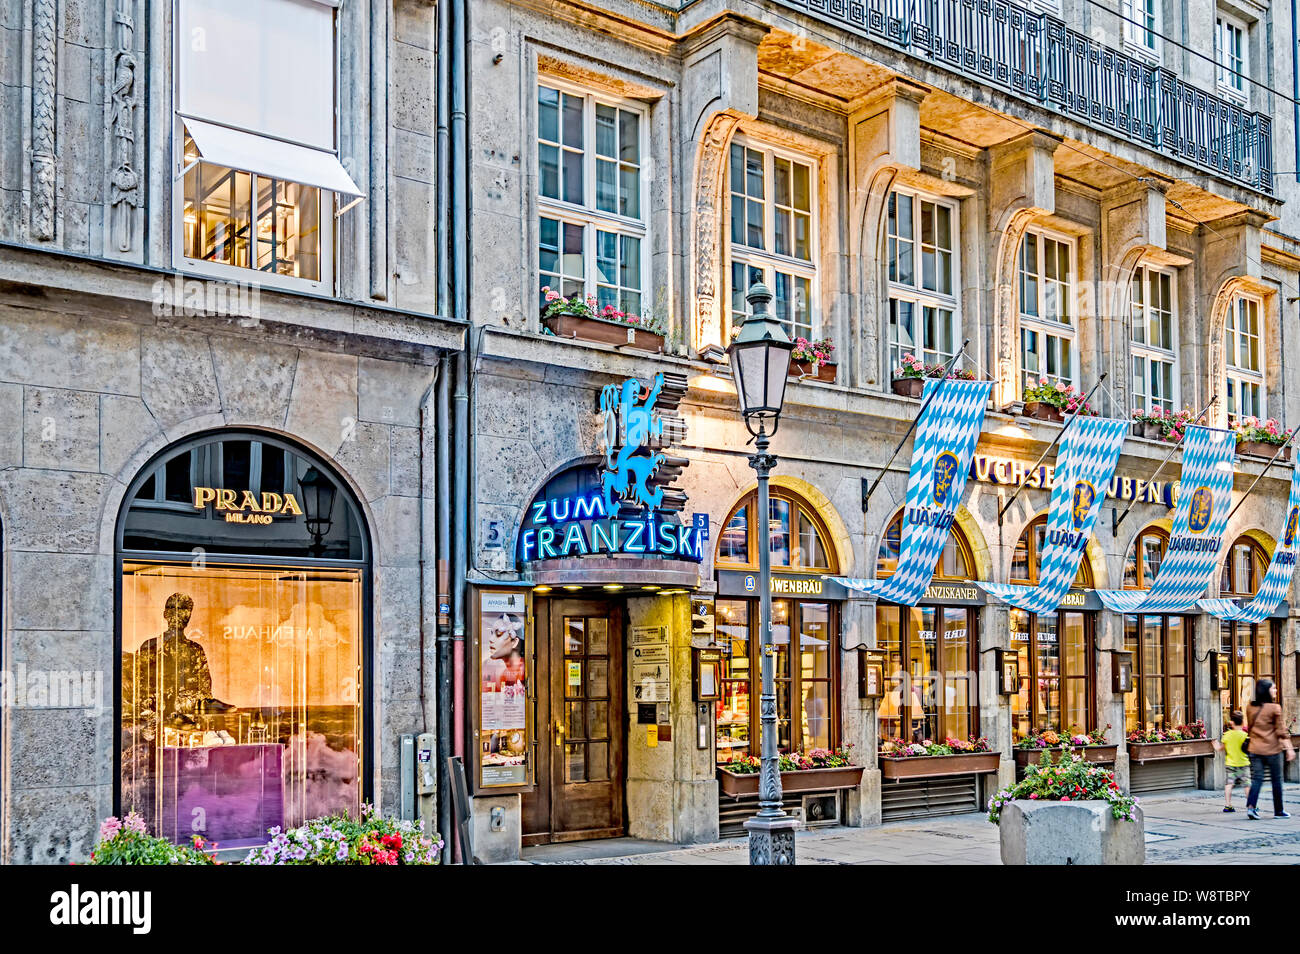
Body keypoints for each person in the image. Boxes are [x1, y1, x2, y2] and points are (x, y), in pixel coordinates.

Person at [1244, 678, 1296, 820]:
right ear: (1266, 691)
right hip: (1273, 750)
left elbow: (1249, 727)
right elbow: (1281, 731)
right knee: (1277, 780)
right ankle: (1278, 811)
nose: (1276, 690)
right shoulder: (1274, 708)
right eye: (1273, 688)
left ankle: (1251, 808)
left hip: (1254, 749)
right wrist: (1290, 749)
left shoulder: (1250, 707)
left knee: (1256, 779)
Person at [1211, 710, 1250, 813]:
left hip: (1230, 764)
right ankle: (1251, 805)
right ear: (1242, 723)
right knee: (1246, 784)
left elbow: (1220, 748)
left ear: (1231, 722)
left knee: (1229, 784)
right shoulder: (1244, 735)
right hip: (1243, 764)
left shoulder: (1227, 735)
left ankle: (1228, 805)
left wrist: (1214, 744)